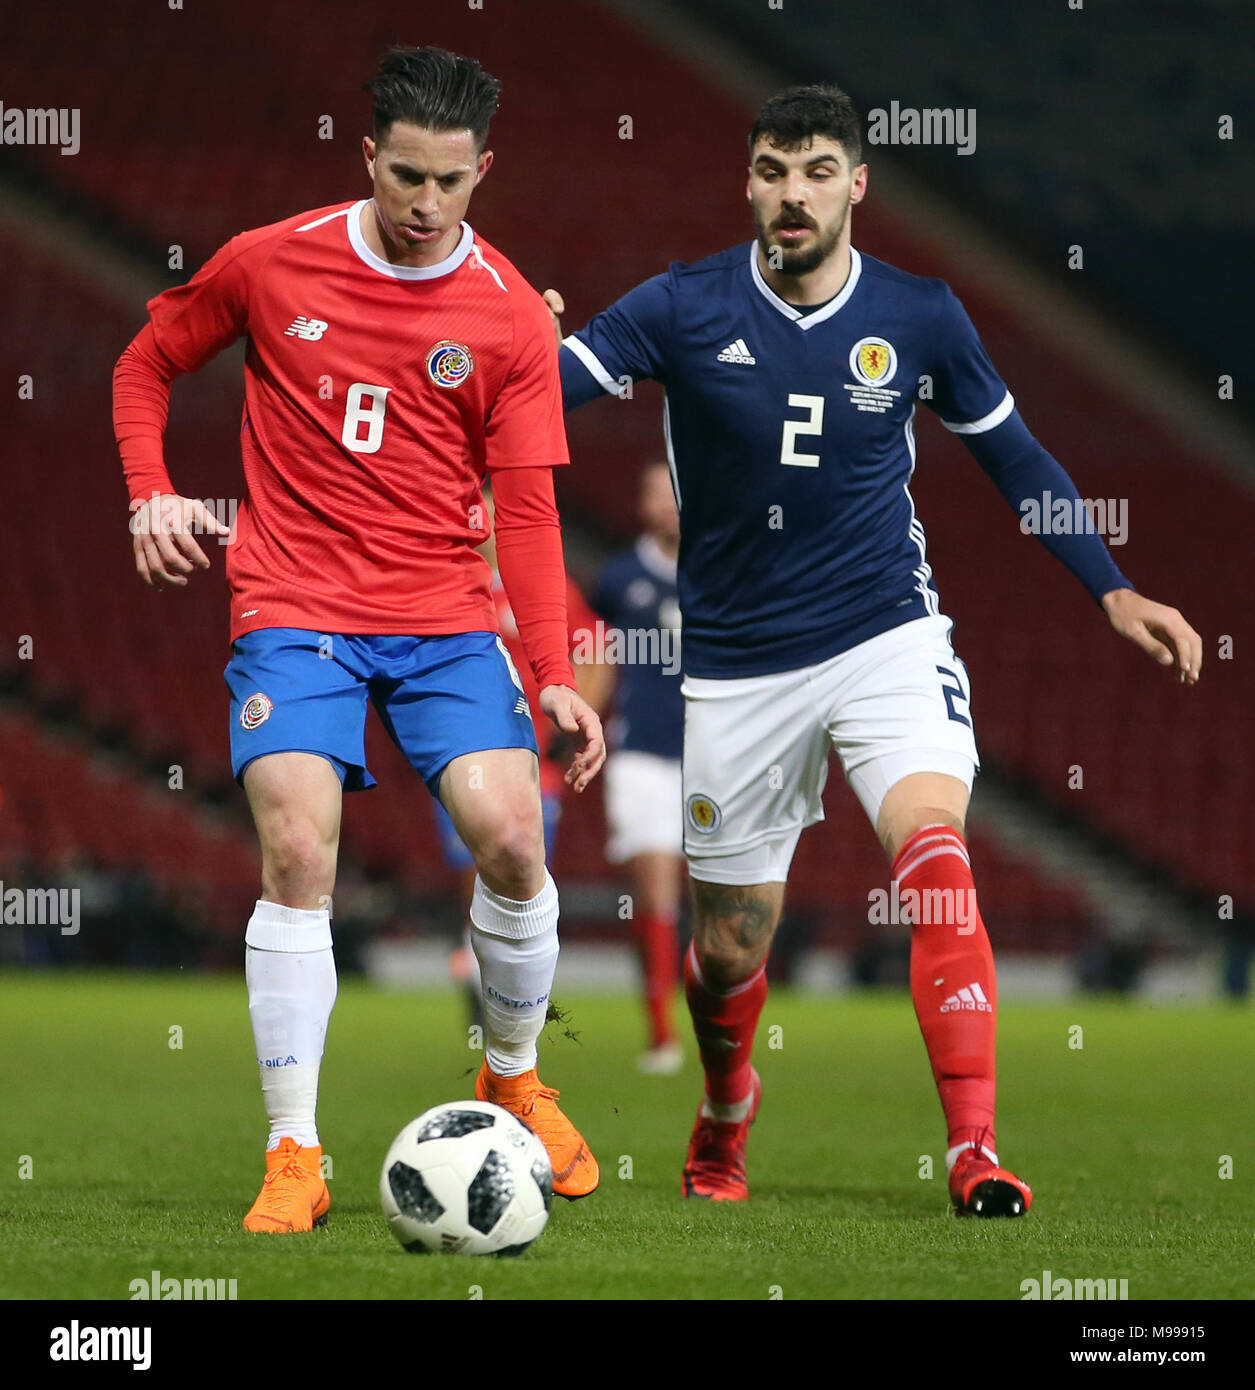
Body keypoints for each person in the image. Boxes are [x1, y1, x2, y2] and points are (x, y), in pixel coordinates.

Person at [552, 84, 1201, 1213]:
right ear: (746, 182)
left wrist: (1112, 586)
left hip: (882, 634)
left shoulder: (920, 316)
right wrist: (516, 338)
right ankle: (723, 1111)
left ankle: (972, 1150)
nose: (789, 191)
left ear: (857, 183)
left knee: (936, 863)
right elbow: (536, 400)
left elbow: (1018, 458)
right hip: (736, 669)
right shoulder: (678, 305)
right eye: (769, 168)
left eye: (813, 170)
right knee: (728, 956)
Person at [112, 45, 606, 1230]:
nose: (425, 205)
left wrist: (552, 676)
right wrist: (149, 490)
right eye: (403, 177)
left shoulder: (506, 317)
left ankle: (514, 1074)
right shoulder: (270, 262)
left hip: (442, 615)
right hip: (293, 605)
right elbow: (147, 360)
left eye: (448, 181)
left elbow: (529, 516)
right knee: (297, 851)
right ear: (366, 157)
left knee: (511, 843)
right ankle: (295, 1153)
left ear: (482, 169)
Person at [437, 485, 611, 1025]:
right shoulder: (446, 585)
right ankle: (481, 970)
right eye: (476, 511)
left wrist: (574, 722)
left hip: (534, 762)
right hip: (463, 753)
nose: (483, 522)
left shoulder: (543, 586)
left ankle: (504, 985)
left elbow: (598, 652)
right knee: (472, 869)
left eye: (492, 511)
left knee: (522, 869)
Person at [592, 462, 686, 1073]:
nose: (664, 503)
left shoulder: (723, 570)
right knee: (655, 887)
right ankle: (662, 1033)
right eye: (654, 492)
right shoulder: (619, 579)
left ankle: (716, 1025)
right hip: (640, 752)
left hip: (717, 754)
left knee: (720, 896)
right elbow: (595, 655)